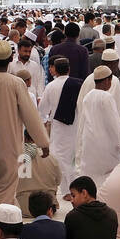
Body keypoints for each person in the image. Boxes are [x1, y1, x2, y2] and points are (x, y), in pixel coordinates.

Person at [0, 39, 51, 222]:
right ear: (11, 58)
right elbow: (30, 116)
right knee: (4, 191)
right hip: (10, 146)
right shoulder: (16, 83)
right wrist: (43, 143)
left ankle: (8, 229)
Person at [75, 66, 120, 187]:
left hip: (90, 142)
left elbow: (83, 121)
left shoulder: (88, 96)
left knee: (92, 178)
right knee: (109, 178)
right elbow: (114, 122)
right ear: (107, 81)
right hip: (105, 144)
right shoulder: (107, 97)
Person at [39, 57, 83, 197]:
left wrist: (44, 121)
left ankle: (66, 191)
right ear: (68, 69)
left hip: (58, 127)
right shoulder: (78, 84)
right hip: (76, 124)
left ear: (55, 70)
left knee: (60, 158)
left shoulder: (51, 86)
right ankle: (76, 189)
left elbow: (42, 110)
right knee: (74, 157)